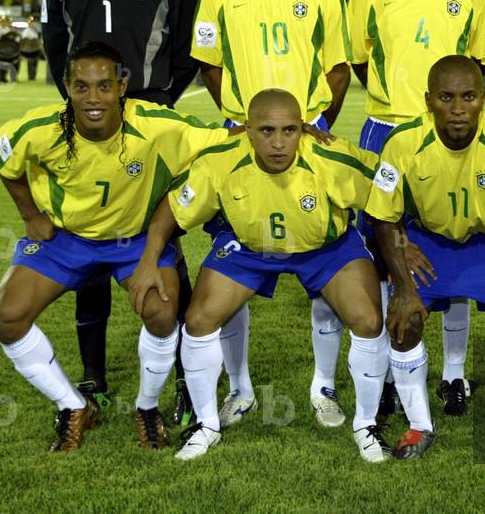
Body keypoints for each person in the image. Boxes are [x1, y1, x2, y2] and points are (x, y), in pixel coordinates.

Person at [0, 41, 229, 452]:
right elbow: (3, 158)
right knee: (7, 317)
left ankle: (146, 406)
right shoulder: (39, 128)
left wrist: (298, 127)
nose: (93, 98)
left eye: (103, 86)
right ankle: (73, 406)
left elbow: (230, 139)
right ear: (66, 87)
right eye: (81, 87)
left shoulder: (158, 125)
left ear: (122, 86)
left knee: (162, 310)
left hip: (133, 241)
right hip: (66, 239)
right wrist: (30, 215)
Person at [133, 89, 391, 462]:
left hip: (324, 247)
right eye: (267, 131)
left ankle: (365, 425)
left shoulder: (333, 157)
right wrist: (147, 262)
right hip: (251, 249)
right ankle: (207, 425)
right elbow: (172, 211)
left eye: (289, 130)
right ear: (247, 130)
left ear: (304, 128)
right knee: (199, 319)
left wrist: (403, 248)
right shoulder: (219, 161)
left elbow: (389, 184)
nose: (279, 142)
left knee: (368, 319)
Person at [40, 0, 200, 423]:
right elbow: (54, 46)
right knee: (89, 238)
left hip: (149, 126)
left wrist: (157, 105)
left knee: (162, 241)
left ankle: (182, 375)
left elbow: (186, 50)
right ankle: (93, 376)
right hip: (87, 126)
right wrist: (82, 105)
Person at [190, 0, 352, 429]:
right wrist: (237, 121)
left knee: (324, 257)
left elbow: (337, 68)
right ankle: (239, 389)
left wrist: (315, 125)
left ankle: (324, 387)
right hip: (241, 141)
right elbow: (209, 63)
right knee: (233, 261)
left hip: (307, 139)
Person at [348, 0, 485, 418]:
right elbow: (360, 61)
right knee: (386, 256)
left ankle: (453, 375)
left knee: (447, 246)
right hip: (387, 130)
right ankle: (388, 369)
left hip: (452, 135)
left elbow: (480, 65)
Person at [365, 56, 485, 462]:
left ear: (484, 99)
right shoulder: (402, 143)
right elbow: (381, 217)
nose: (458, 109)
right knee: (404, 322)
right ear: (429, 101)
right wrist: (404, 290)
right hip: (431, 245)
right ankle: (419, 426)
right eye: (446, 97)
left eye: (469, 97)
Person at [19, 15, 44, 81]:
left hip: (35, 49)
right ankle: (30, 76)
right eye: (30, 22)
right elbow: (24, 41)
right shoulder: (26, 31)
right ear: (28, 23)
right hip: (29, 50)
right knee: (30, 63)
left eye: (32, 22)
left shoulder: (35, 31)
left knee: (35, 63)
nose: (32, 23)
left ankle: (33, 76)